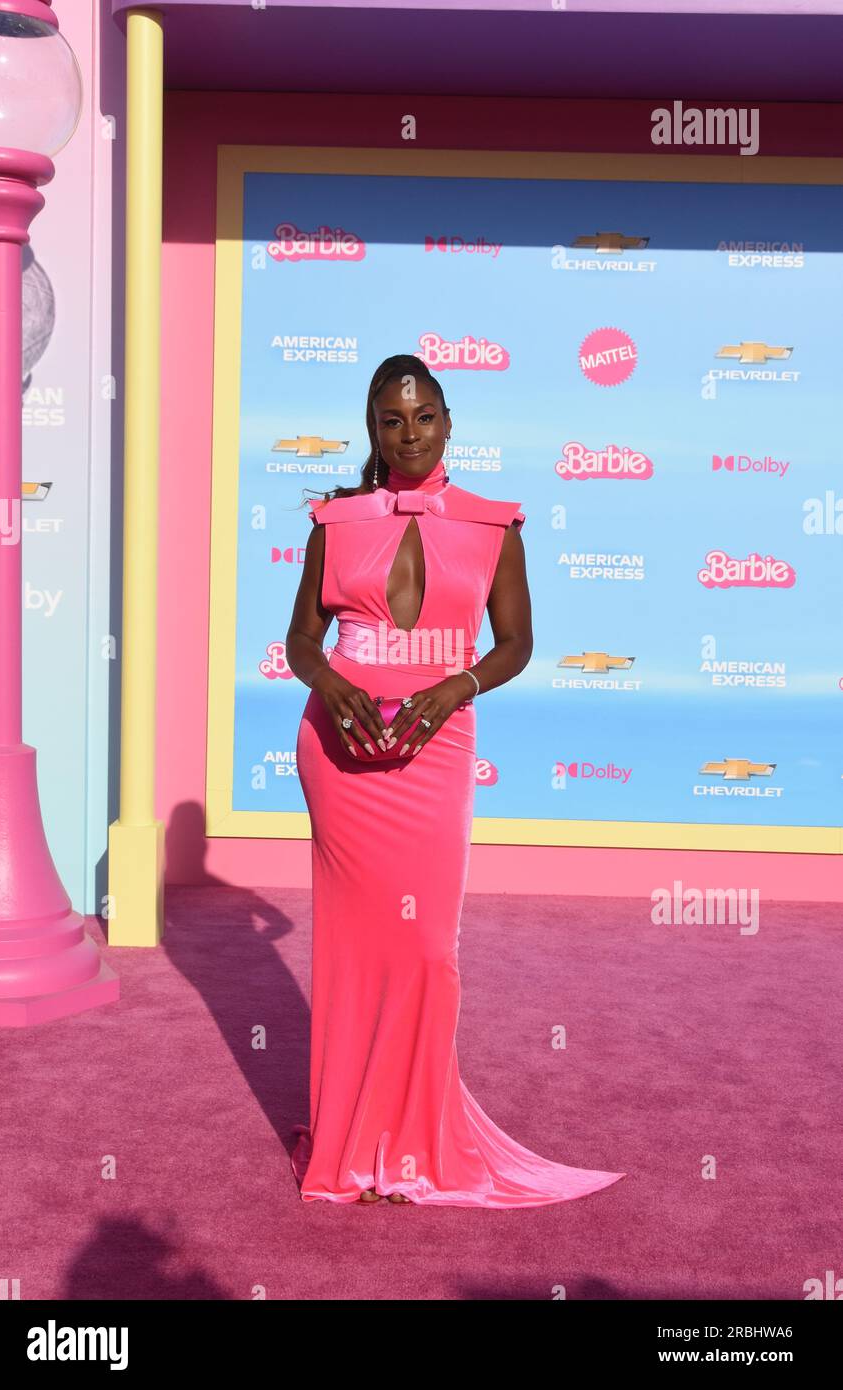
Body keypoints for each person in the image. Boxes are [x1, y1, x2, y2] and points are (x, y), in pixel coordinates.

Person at [285, 354, 626, 1207]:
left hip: (436, 749)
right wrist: (332, 685)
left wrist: (452, 687)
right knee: (354, 949)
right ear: (373, 429)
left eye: (424, 416)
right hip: (341, 752)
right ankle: (352, 1149)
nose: (409, 434)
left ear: (448, 420)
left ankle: (409, 1146)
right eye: (392, 420)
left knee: (428, 951)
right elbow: (299, 641)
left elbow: (514, 643)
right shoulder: (335, 522)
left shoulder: (493, 524)